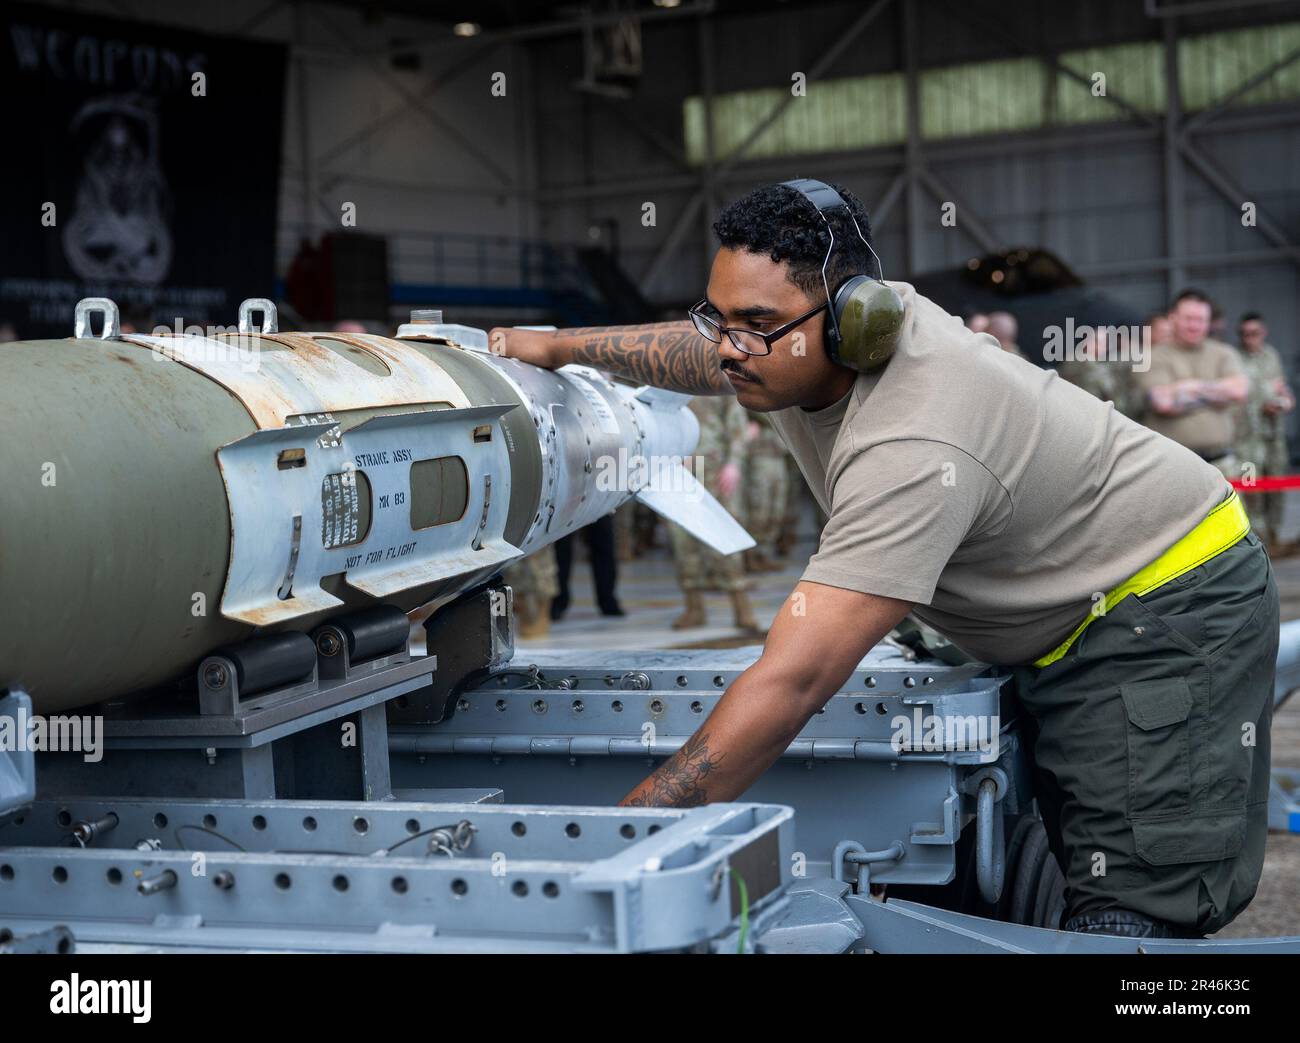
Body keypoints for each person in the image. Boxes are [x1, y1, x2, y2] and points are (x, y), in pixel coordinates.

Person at [489, 180, 1276, 940]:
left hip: (1161, 601)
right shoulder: (780, 347)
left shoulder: (911, 439)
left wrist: (618, 840)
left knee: (1126, 904)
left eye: (755, 323)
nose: (730, 349)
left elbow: (793, 679)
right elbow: (694, 350)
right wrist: (557, 346)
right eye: (719, 316)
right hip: (1060, 593)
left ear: (848, 322)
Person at [1131, 289, 1248, 479]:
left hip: (1222, 465)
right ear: (1172, 318)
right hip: (1173, 466)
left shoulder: (1224, 354)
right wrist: (1217, 393)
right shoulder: (1151, 357)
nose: (1195, 326)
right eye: (1188, 318)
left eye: (1201, 320)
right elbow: (1163, 402)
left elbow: (1239, 391)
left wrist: (1188, 388)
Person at [667, 396, 759, 632]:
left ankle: (742, 608)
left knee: (724, 536)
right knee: (683, 540)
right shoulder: (665, 379)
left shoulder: (716, 376)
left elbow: (737, 425)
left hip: (715, 470)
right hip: (678, 471)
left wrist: (734, 464)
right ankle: (694, 608)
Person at [1234, 312, 1295, 550]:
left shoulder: (1271, 356)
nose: (1250, 339)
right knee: (1252, 489)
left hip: (1273, 437)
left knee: (1277, 485)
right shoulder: (1235, 359)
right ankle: (1256, 540)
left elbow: (1281, 387)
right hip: (1248, 440)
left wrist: (1286, 399)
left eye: (1254, 333)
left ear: (1263, 333)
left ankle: (1274, 534)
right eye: (1244, 334)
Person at [741, 410, 789, 573]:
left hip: (778, 454)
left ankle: (763, 554)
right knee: (758, 508)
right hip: (759, 455)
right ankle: (750, 556)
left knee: (776, 508)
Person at [551, 515, 624, 620]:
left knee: (604, 539)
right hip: (567, 501)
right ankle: (558, 601)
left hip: (598, 500)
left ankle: (608, 600)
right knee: (562, 544)